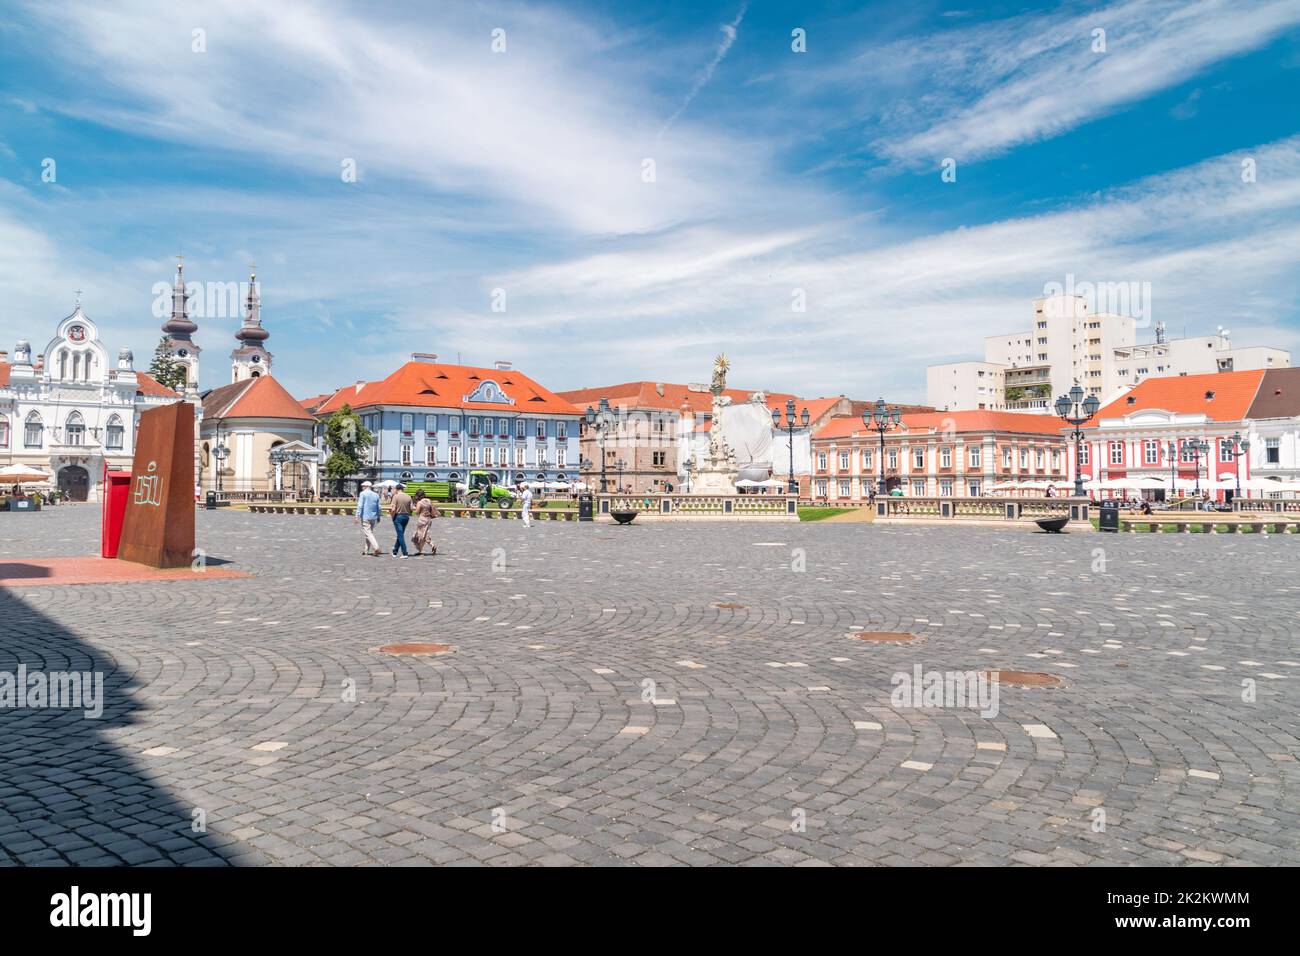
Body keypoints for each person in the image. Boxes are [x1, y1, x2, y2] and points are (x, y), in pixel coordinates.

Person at [354, 480, 382, 556]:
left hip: (366, 516)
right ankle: (366, 550)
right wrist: (379, 516)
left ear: (366, 487)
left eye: (363, 486)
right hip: (374, 516)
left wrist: (357, 516)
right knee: (369, 533)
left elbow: (360, 506)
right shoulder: (376, 495)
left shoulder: (363, 494)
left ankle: (376, 547)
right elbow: (379, 507)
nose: (362, 487)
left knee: (368, 533)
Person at [410, 489, 438, 555]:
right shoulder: (428, 501)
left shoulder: (419, 502)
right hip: (429, 520)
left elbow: (417, 512)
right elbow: (432, 509)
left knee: (419, 535)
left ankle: (430, 545)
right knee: (424, 534)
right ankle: (421, 550)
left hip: (422, 520)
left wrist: (413, 509)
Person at [389, 482, 413, 556]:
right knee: (400, 534)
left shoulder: (395, 497)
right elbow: (411, 508)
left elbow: (393, 509)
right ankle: (395, 551)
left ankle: (404, 553)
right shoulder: (409, 497)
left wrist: (392, 516)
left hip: (398, 516)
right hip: (406, 517)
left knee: (400, 535)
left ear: (397, 489)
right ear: (403, 489)